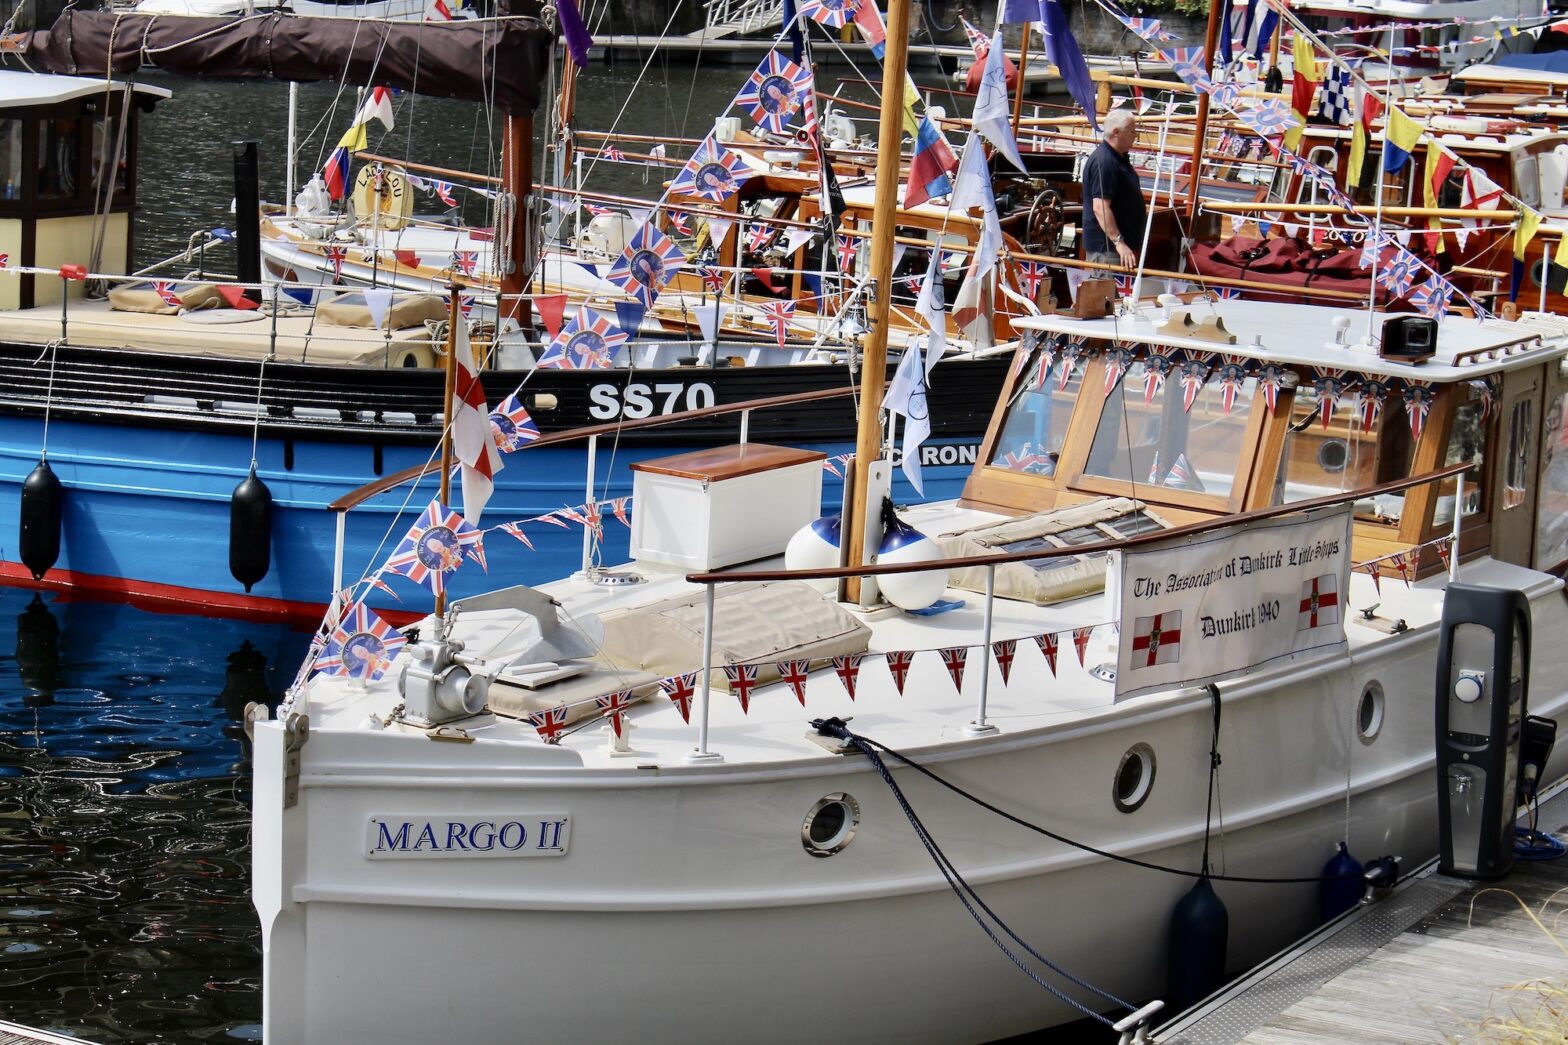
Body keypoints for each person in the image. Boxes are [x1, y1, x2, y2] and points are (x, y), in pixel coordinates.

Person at [1082, 108, 1146, 269]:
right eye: (1132, 131)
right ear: (1116, 132)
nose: (1135, 135)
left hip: (1117, 250)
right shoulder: (1105, 162)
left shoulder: (1117, 158)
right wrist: (1119, 243)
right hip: (1107, 252)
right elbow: (1100, 207)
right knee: (1106, 293)